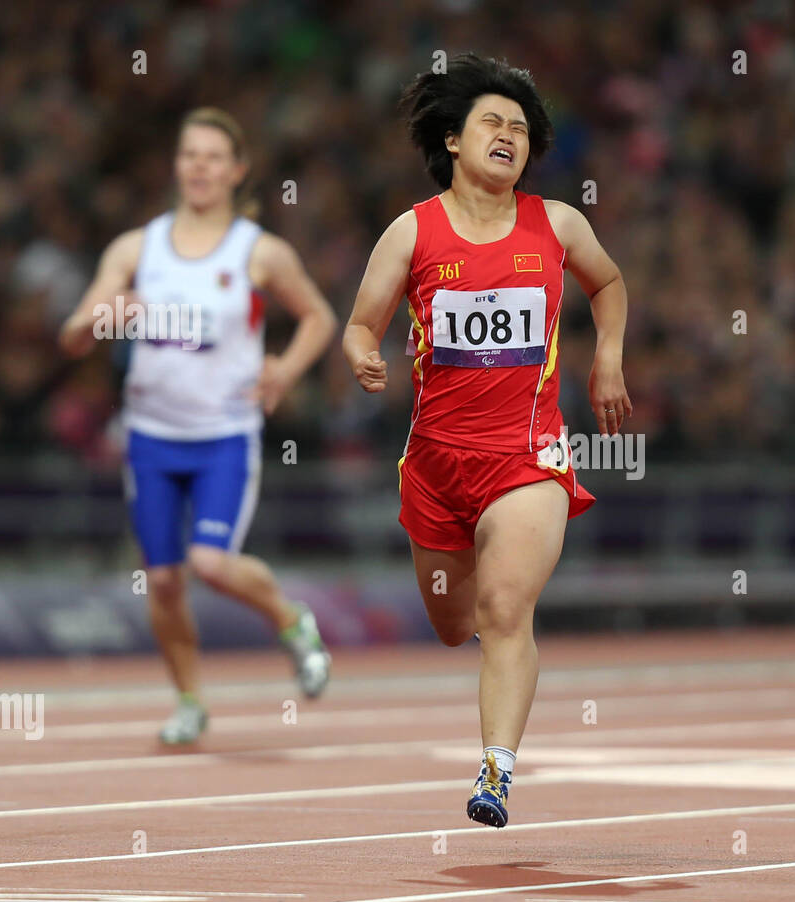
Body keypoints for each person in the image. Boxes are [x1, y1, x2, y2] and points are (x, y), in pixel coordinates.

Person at [343, 54, 631, 826]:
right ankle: (488, 650)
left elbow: (608, 283)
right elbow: (361, 322)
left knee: (506, 610)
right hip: (435, 463)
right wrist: (363, 353)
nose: (508, 136)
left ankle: (496, 772)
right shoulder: (411, 232)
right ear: (453, 139)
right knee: (453, 624)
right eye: (491, 123)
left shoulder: (558, 223)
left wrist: (607, 357)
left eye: (519, 128)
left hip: (527, 455)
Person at [59, 107, 337, 744]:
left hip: (223, 434)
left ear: (237, 171)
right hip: (151, 435)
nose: (200, 167)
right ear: (176, 165)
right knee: (161, 578)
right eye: (190, 155)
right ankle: (189, 701)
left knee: (209, 563)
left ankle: (291, 620)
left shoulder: (258, 252)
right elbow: (74, 334)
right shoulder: (138, 247)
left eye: (213, 157)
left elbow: (318, 316)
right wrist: (103, 315)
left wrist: (285, 371)